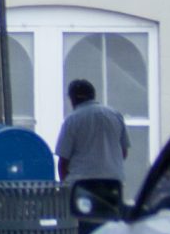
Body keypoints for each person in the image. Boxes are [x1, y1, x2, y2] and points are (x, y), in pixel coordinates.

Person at [56, 78, 131, 212]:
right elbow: (124, 152)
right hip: (113, 182)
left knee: (85, 227)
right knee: (108, 225)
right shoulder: (114, 115)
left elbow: (63, 160)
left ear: (72, 99)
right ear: (93, 95)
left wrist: (65, 186)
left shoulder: (72, 120)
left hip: (83, 184)